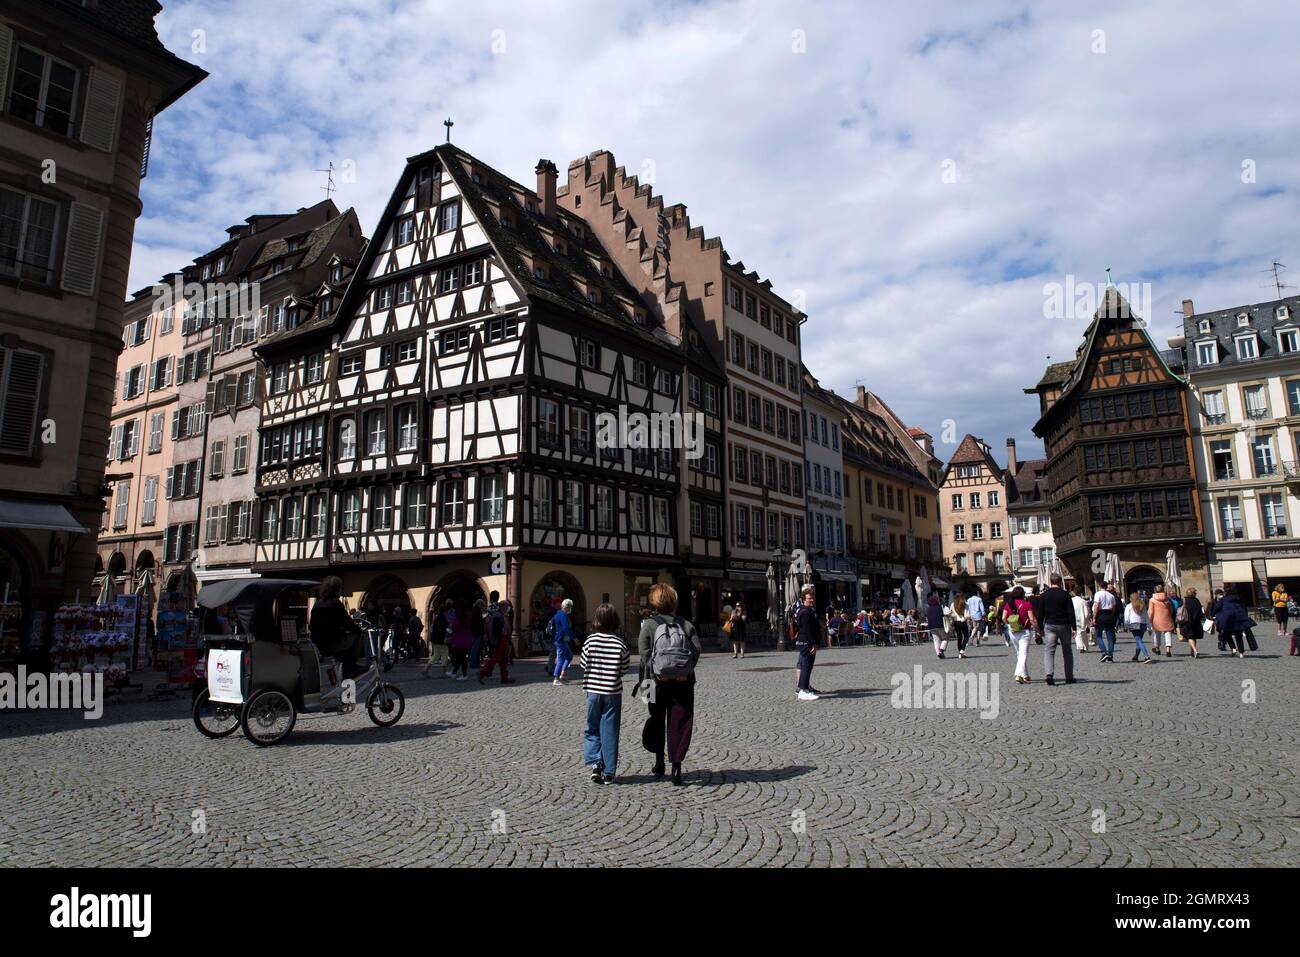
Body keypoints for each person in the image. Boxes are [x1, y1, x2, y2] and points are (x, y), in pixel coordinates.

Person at [636, 584, 701, 786]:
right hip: (684, 681)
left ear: (654, 602)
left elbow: (643, 652)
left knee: (655, 717)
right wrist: (683, 669)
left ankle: (658, 762)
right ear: (674, 602)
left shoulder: (648, 624)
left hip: (651, 681)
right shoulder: (686, 624)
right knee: (680, 721)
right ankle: (676, 766)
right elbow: (696, 651)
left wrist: (655, 669)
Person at [581, 603, 631, 784]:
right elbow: (624, 668)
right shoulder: (620, 643)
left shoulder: (590, 641)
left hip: (593, 692)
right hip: (612, 692)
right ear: (614, 621)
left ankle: (596, 766)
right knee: (610, 731)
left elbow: (583, 664)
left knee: (592, 728)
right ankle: (609, 772)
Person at [308, 576, 364, 678]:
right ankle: (352, 668)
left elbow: (313, 625)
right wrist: (358, 629)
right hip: (332, 643)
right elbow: (347, 623)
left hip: (319, 643)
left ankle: (346, 671)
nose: (341, 590)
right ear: (336, 589)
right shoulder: (335, 603)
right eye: (340, 588)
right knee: (356, 635)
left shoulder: (318, 603)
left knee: (346, 642)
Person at [1039, 573, 1075, 685]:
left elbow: (1041, 613)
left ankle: (1049, 674)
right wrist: (1074, 627)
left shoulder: (1044, 595)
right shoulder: (1065, 595)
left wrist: (1040, 627)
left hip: (1050, 625)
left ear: (1050, 581)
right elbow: (1071, 612)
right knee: (1067, 651)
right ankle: (1069, 677)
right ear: (1060, 582)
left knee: (1049, 650)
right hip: (1064, 625)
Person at [478, 591, 516, 685]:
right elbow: (495, 630)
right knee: (495, 658)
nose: (508, 609)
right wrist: (497, 640)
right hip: (500, 640)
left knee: (503, 660)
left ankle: (504, 678)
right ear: (503, 607)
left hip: (504, 639)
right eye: (507, 607)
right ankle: (482, 673)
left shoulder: (502, 615)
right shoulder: (497, 616)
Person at [1001, 586, 1037, 684]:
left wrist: (1009, 624)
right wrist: (1037, 629)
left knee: (1019, 653)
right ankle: (1018, 674)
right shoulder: (1027, 604)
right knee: (1023, 653)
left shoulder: (1008, 604)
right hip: (1025, 631)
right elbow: (1032, 619)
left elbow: (1003, 617)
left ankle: (1025, 675)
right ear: (1022, 594)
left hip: (1012, 631)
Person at [793, 585, 823, 699]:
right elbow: (808, 630)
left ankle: (803, 688)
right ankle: (803, 691)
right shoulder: (805, 612)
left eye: (812, 598)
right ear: (803, 599)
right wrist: (814, 643)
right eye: (809, 598)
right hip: (806, 642)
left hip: (803, 641)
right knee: (806, 666)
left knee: (804, 665)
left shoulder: (803, 610)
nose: (811, 600)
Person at [1214, 586, 1251, 658]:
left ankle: (1233, 648)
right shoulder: (1238, 599)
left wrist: (1212, 614)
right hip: (1238, 619)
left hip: (1227, 619)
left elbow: (1217, 608)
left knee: (1227, 634)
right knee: (1238, 636)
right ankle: (1241, 653)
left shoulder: (1224, 599)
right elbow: (1244, 608)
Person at [422, 599, 452, 678]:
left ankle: (425, 669)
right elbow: (445, 629)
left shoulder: (438, 617)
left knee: (436, 655)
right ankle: (444, 673)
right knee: (445, 655)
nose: (447, 613)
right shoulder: (442, 618)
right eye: (447, 611)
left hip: (435, 639)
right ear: (445, 611)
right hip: (440, 640)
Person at [1092, 584, 1120, 662]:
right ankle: (1110, 654)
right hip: (1109, 614)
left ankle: (1104, 652)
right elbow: (1114, 607)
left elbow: (1096, 606)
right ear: (1106, 587)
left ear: (1100, 586)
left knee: (1098, 635)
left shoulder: (1098, 594)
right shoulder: (1111, 595)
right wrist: (1111, 614)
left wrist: (1094, 617)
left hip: (1100, 614)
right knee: (1110, 637)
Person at [1148, 584, 1178, 658]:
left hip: (1156, 619)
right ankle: (1168, 651)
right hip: (1167, 618)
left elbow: (1150, 612)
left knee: (1157, 634)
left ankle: (1157, 649)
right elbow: (1171, 609)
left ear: (1155, 590)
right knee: (1167, 633)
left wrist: (1149, 620)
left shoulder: (1152, 600)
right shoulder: (1167, 599)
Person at [551, 598, 576, 685]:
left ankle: (562, 674)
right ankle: (556, 678)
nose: (570, 609)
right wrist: (574, 638)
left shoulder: (558, 614)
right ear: (567, 607)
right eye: (570, 607)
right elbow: (566, 628)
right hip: (561, 639)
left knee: (569, 656)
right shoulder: (563, 615)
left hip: (559, 638)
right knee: (561, 659)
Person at [1124, 592, 1154, 663]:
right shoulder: (1142, 606)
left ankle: (1147, 656)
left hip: (1134, 624)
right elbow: (1146, 617)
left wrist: (1126, 625)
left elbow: (1126, 617)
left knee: (1139, 641)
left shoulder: (1129, 606)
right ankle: (1136, 656)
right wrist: (1149, 627)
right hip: (1143, 624)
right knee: (1139, 640)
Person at [447, 603, 473, 680]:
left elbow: (452, 629)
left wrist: (448, 629)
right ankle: (454, 673)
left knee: (461, 659)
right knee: (461, 658)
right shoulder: (468, 617)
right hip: (467, 639)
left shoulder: (458, 618)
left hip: (459, 640)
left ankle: (464, 675)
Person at [1178, 587, 1204, 659]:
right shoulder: (1197, 601)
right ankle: (1192, 652)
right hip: (1196, 621)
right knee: (1193, 636)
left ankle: (1195, 651)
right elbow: (1200, 611)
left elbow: (1180, 610)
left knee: (1189, 636)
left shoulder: (1184, 600)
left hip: (1187, 621)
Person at [1070, 583, 1092, 654]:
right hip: (1083, 618)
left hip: (1075, 618)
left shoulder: (1071, 600)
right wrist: (1087, 619)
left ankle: (1081, 646)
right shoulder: (1083, 601)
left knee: (1077, 633)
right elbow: (1086, 612)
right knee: (1083, 633)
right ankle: (1085, 646)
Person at [948, 594, 972, 658]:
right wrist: (965, 618)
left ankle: (960, 653)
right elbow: (968, 615)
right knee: (966, 636)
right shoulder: (965, 604)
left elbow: (950, 614)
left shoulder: (953, 604)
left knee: (959, 638)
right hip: (963, 622)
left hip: (956, 622)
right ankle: (962, 651)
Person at [926, 593, 948, 659]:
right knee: (945, 639)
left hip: (931, 626)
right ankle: (941, 650)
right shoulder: (939, 607)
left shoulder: (928, 609)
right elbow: (942, 615)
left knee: (936, 641)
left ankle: (938, 653)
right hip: (939, 625)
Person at [468, 599, 486, 670]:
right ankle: (472, 663)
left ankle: (475, 663)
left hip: (473, 632)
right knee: (475, 648)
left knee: (474, 648)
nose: (483, 607)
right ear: (480, 605)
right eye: (482, 606)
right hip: (477, 632)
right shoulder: (477, 611)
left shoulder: (473, 610)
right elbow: (479, 623)